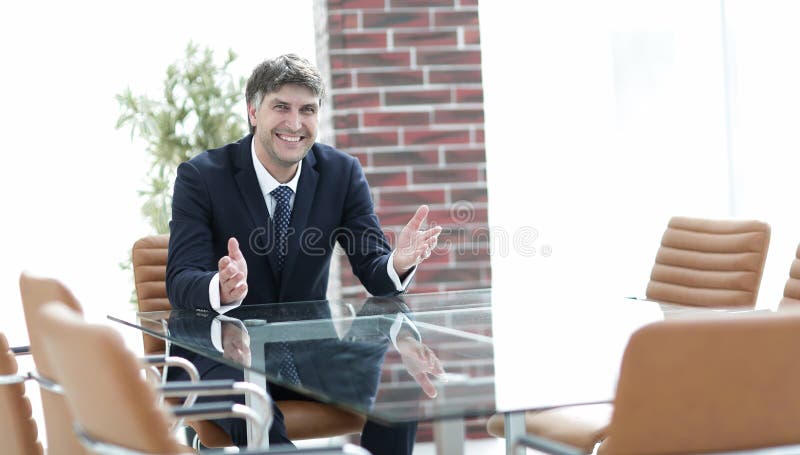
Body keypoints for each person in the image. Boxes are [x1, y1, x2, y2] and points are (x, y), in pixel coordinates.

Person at [165, 53, 442, 454]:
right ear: (253, 112)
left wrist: (396, 263)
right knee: (256, 411)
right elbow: (180, 280)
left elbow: (374, 269)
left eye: (307, 110)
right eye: (281, 107)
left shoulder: (341, 173)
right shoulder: (201, 177)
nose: (295, 124)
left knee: (397, 386)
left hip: (311, 352)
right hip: (222, 356)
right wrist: (220, 288)